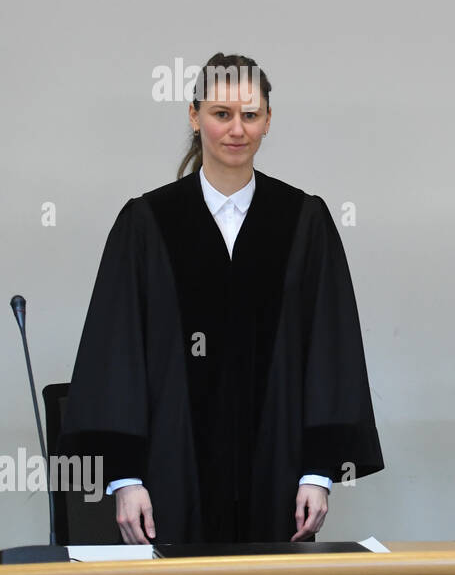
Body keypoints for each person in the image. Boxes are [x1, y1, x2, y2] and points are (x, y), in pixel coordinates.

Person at [60, 53, 384, 544]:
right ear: (195, 116)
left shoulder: (302, 221)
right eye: (221, 113)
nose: (237, 129)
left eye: (250, 115)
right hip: (170, 479)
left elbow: (330, 350)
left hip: (279, 476)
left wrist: (319, 474)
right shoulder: (148, 224)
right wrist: (125, 479)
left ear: (268, 121)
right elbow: (115, 352)